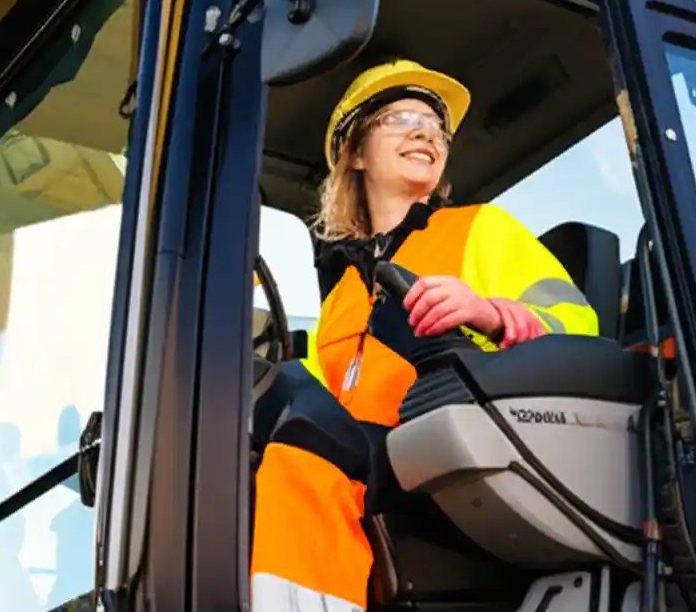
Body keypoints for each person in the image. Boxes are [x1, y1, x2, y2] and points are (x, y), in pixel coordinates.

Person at [250, 58, 598, 611]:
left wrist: (488, 310)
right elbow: (323, 394)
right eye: (400, 118)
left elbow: (576, 327)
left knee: (306, 455)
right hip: (364, 468)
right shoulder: (343, 295)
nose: (423, 132)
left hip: (450, 463)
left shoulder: (481, 228)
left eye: (434, 126)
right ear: (356, 154)